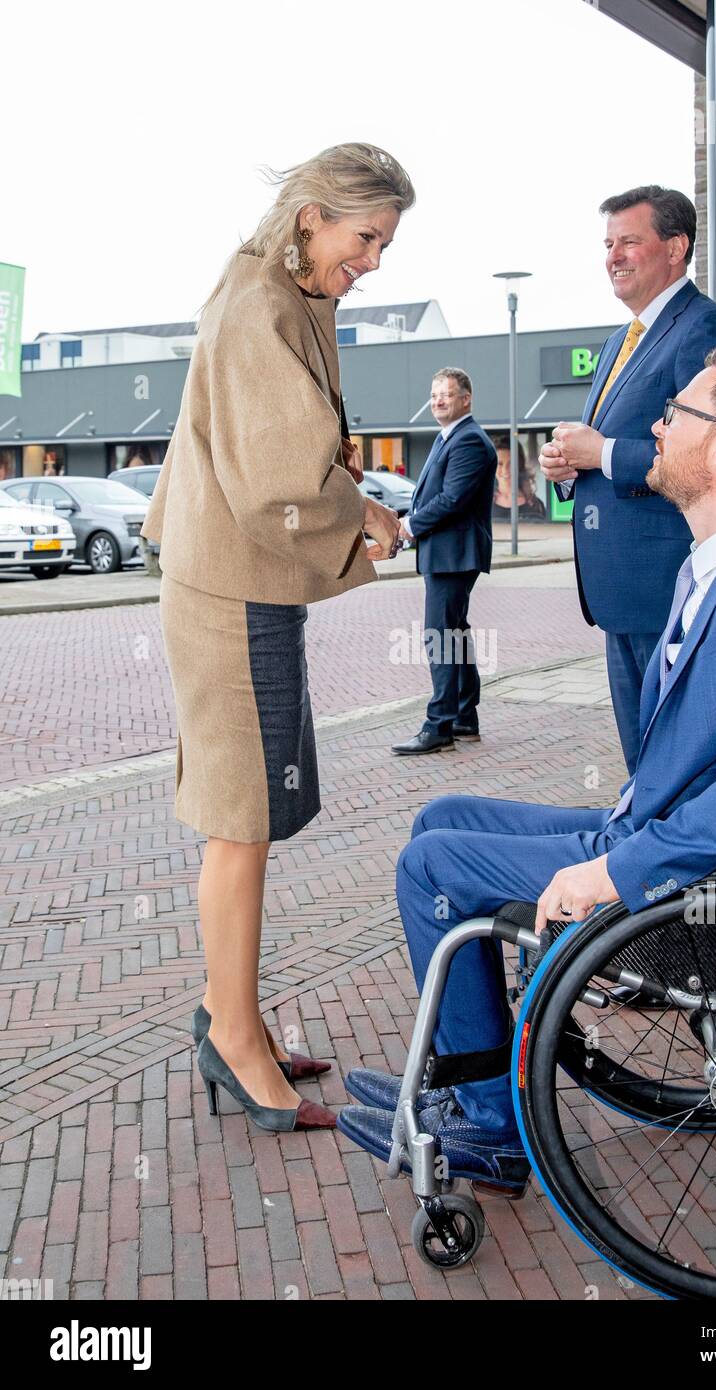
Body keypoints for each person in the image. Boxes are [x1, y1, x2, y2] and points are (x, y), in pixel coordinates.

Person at [339, 348, 716, 1190]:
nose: (655, 426)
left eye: (676, 414)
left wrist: (615, 870)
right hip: (649, 827)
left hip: (699, 874)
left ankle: (489, 1122)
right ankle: (470, 1069)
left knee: (429, 865)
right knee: (438, 817)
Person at [141, 143, 413, 1135]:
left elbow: (285, 446)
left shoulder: (275, 293)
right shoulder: (263, 302)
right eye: (366, 236)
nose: (375, 259)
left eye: (384, 242)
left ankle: (230, 1013)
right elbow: (281, 472)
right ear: (311, 215)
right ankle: (237, 1045)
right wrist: (366, 512)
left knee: (246, 814)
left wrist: (347, 489)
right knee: (241, 821)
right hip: (230, 587)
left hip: (235, 579)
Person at [541, 185, 716, 775]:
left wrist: (604, 451)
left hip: (671, 587)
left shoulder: (710, 330)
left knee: (681, 765)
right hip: (621, 598)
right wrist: (569, 467)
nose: (614, 255)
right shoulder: (617, 341)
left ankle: (680, 866)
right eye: (608, 244)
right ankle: (647, 859)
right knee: (645, 763)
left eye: (630, 241)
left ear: (676, 247)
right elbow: (606, 451)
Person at [391, 368, 497, 754]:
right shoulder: (448, 438)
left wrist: (409, 527)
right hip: (446, 553)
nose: (437, 401)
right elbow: (431, 495)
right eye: (434, 394)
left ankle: (439, 727)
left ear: (466, 399)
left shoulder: (469, 441)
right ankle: (464, 718)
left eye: (446, 395)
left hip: (454, 555)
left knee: (440, 637)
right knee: (454, 634)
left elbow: (451, 500)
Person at [491, 436, 546, 522]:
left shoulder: (536, 505)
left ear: (520, 464)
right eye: (500, 464)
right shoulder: (483, 504)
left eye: (511, 463)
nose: (505, 470)